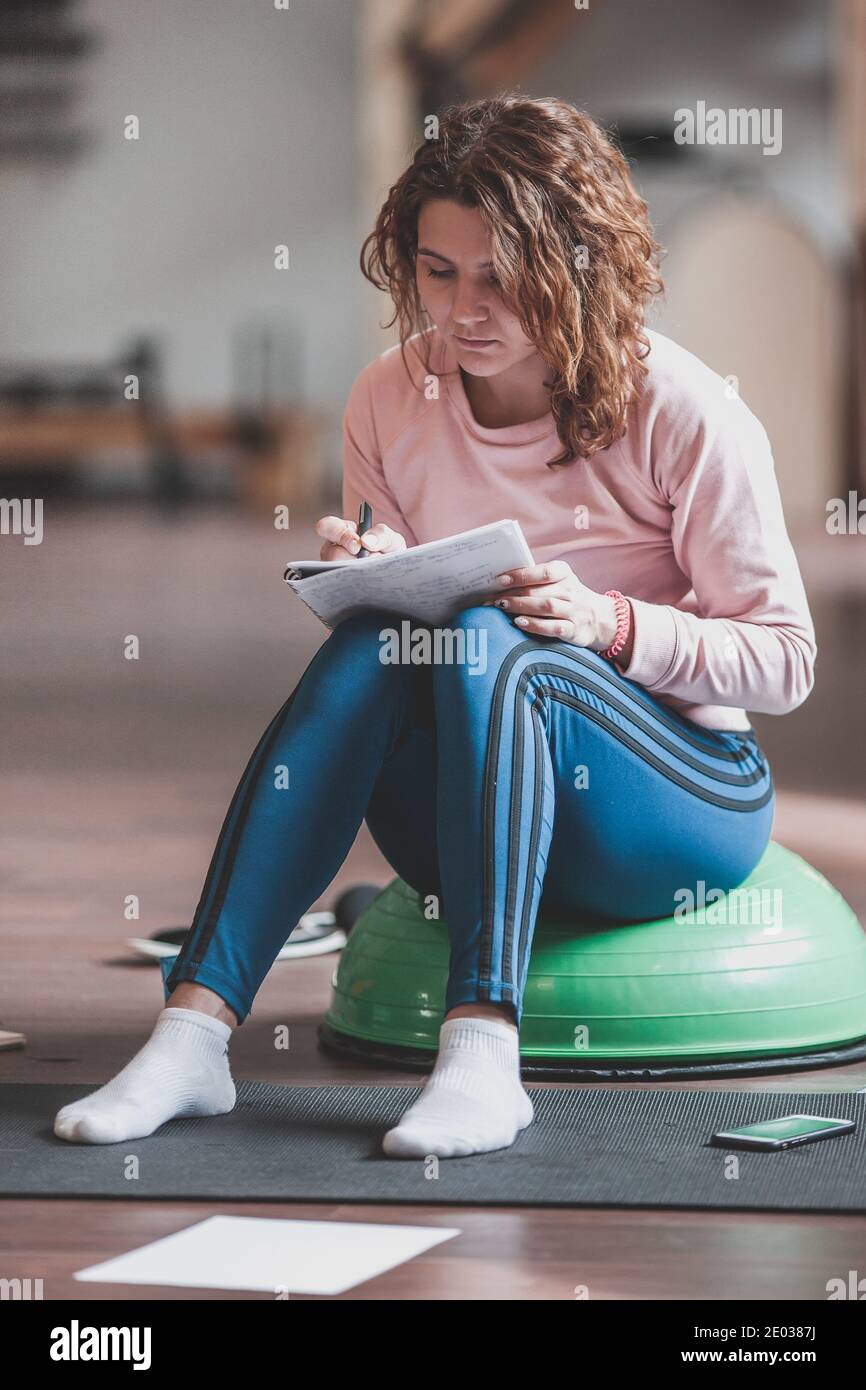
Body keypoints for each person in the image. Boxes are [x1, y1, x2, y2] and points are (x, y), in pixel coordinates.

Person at [54, 94, 815, 1159]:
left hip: (671, 803)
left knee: (492, 644)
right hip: (468, 814)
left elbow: (783, 659)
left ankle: (481, 1053)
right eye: (435, 269)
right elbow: (403, 611)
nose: (462, 310)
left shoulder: (683, 408)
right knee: (380, 642)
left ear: (576, 263)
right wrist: (371, 570)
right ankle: (192, 1033)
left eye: (499, 275)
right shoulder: (386, 396)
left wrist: (605, 622)